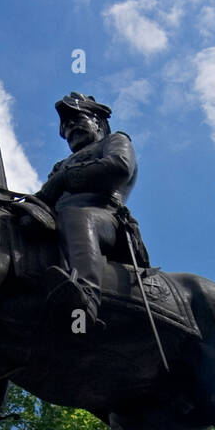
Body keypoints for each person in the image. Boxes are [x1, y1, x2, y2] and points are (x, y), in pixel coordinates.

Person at [36, 92, 140, 329]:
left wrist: (65, 178)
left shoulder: (116, 140)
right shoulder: (60, 165)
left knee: (77, 216)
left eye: (78, 119)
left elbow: (119, 167)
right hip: (58, 219)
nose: (70, 127)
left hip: (103, 217)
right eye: (66, 126)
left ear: (97, 121)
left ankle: (86, 297)